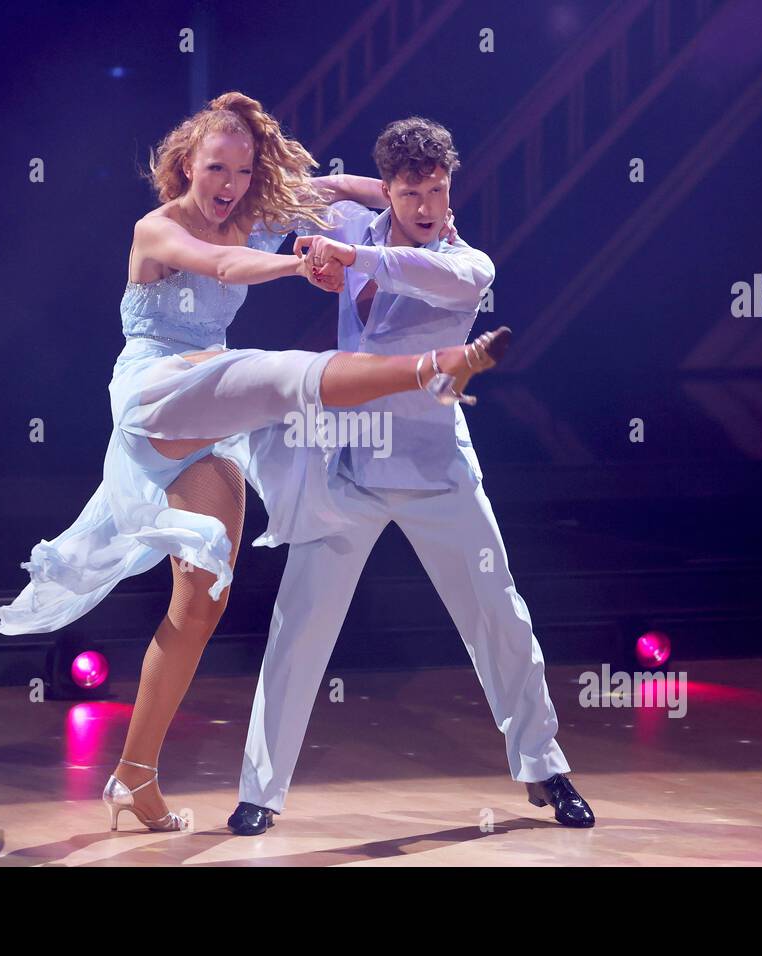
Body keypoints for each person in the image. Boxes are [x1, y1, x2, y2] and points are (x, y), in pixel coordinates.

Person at [0, 93, 511, 832]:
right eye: (215, 168)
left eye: (242, 170)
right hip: (158, 396)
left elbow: (350, 191)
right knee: (279, 375)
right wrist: (298, 266)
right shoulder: (159, 228)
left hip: (214, 419)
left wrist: (422, 218)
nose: (229, 184)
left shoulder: (261, 207)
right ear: (186, 165)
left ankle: (134, 773)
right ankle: (438, 366)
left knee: (203, 600)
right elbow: (222, 264)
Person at [228, 116, 594, 836]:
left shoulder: (467, 266)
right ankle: (259, 793)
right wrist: (347, 202)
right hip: (348, 468)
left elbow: (405, 267)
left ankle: (546, 769)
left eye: (438, 189)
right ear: (388, 191)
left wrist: (353, 250)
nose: (428, 207)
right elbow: (305, 191)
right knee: (298, 627)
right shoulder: (357, 220)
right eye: (411, 192)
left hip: (437, 471)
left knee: (500, 616)